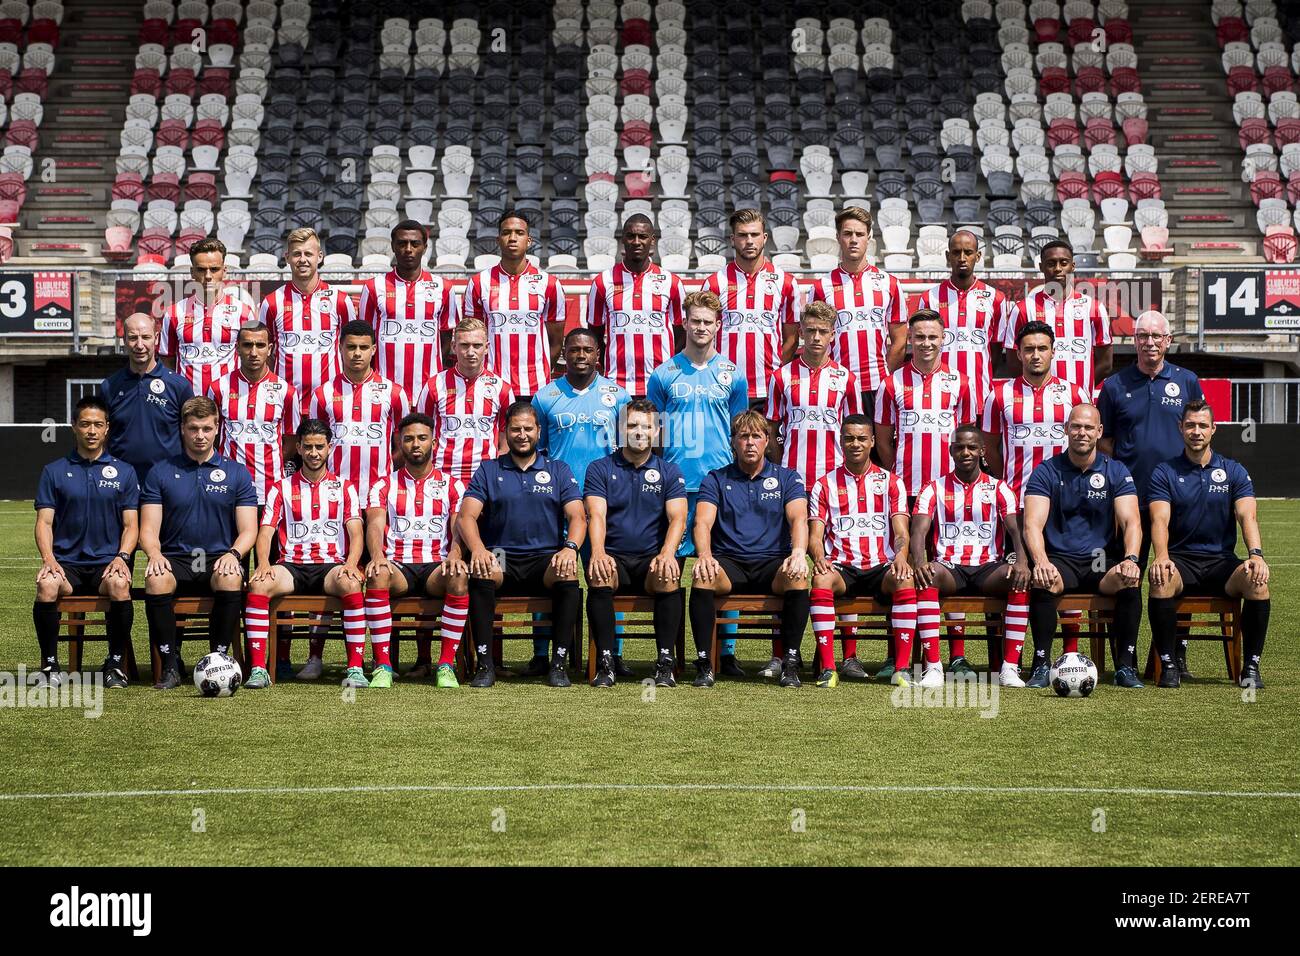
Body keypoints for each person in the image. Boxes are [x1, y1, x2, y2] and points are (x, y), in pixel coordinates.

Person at [646, 289, 749, 675]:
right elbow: (652, 432)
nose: (701, 327)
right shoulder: (664, 373)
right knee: (668, 566)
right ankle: (666, 655)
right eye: (695, 320)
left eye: (708, 321)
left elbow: (740, 430)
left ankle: (726, 653)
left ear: (718, 325)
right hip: (674, 485)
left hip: (722, 484)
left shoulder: (732, 373)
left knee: (723, 566)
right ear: (684, 323)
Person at [874, 308, 977, 677]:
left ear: (943, 337)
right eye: (919, 337)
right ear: (910, 340)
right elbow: (884, 440)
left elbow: (968, 437)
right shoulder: (892, 384)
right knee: (903, 568)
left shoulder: (960, 382)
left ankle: (958, 653)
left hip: (951, 493)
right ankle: (896, 654)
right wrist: (900, 478)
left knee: (950, 567)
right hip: (909, 492)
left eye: (933, 336)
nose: (926, 343)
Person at [410, 317, 515, 676]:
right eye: (464, 345)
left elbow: (506, 436)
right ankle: (427, 658)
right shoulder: (435, 386)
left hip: (486, 493)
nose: (471, 352)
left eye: (477, 345)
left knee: (490, 567)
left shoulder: (501, 388)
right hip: (442, 491)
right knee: (439, 566)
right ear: (453, 347)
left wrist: (498, 479)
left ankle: (491, 656)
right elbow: (422, 433)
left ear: (488, 347)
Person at [982, 320, 1093, 658]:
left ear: (1053, 351)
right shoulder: (999, 394)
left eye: (1042, 348)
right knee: (1008, 577)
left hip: (1064, 502)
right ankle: (1000, 659)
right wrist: (1008, 485)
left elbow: (1085, 445)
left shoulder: (1074, 394)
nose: (1035, 355)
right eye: (1028, 349)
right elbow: (990, 446)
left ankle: (1069, 656)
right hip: (1014, 505)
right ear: (1018, 352)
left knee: (1062, 575)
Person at [457, 402, 586, 688]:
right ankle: (485, 665)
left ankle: (559, 663)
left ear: (539, 432)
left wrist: (570, 548)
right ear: (505, 432)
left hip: (545, 556)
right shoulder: (489, 469)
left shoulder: (558, 469)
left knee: (567, 572)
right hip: (501, 555)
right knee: (481, 570)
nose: (522, 434)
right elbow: (466, 516)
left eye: (528, 428)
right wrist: (478, 548)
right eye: (516, 429)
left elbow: (577, 516)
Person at [1147, 401, 1270, 689]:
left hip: (1221, 563)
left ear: (1213, 429)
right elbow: (1159, 520)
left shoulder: (1233, 470)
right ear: (1181, 428)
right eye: (1190, 425)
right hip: (1181, 562)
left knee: (1257, 581)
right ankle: (1168, 664)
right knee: (1161, 578)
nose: (1196, 431)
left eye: (1203, 425)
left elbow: (1247, 515)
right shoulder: (1164, 472)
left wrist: (1256, 555)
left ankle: (1251, 668)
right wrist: (1162, 556)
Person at [1022, 403, 1145, 688]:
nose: (1082, 433)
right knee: (1042, 580)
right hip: (1060, 561)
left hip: (1100, 562)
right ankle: (1041, 664)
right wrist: (1040, 561)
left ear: (1099, 431)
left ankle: (1125, 668)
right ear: (1066, 429)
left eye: (1089, 427)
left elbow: (1131, 522)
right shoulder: (1046, 471)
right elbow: (1032, 524)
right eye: (1076, 426)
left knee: (1129, 579)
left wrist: (1131, 558)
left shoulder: (1116, 470)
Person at [531, 328, 631, 677]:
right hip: (559, 499)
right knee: (556, 574)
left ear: (599, 354)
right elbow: (537, 449)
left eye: (588, 350)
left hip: (605, 498)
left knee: (605, 572)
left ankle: (612, 652)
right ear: (564, 355)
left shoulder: (618, 395)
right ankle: (543, 653)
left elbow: (627, 449)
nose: (581, 355)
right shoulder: (545, 397)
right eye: (574, 350)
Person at [138, 397, 258, 690]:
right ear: (182, 429)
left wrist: (234, 553)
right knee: (155, 579)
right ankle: (169, 665)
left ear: (217, 427)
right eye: (193, 428)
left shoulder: (237, 473)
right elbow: (148, 528)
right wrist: (154, 553)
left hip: (219, 557)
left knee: (230, 577)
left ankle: (219, 658)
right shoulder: (161, 472)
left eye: (206, 428)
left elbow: (249, 530)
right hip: (176, 557)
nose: (200, 436)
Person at [242, 418, 369, 690]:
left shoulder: (345, 487)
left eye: (320, 447)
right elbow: (265, 532)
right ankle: (258, 669)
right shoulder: (281, 488)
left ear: (329, 448)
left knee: (351, 582)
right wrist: (263, 563)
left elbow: (356, 533)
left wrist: (351, 564)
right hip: (292, 566)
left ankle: (356, 669)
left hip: (330, 566)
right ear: (298, 448)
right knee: (258, 583)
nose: (314, 453)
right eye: (308, 447)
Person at [687, 410, 810, 688]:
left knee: (798, 575)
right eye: (744, 437)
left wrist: (799, 552)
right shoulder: (716, 478)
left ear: (768, 440)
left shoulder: (787, 477)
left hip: (772, 564)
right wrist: (705, 555)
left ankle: (790, 663)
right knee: (702, 575)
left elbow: (799, 519)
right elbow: (702, 523)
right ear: (733, 442)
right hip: (730, 564)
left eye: (757, 436)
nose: (750, 443)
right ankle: (705, 663)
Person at [909, 425, 1031, 687]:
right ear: (951, 450)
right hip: (950, 568)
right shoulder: (933, 488)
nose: (966, 452)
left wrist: (1022, 561)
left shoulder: (999, 488)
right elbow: (918, 531)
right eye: (960, 447)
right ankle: (933, 668)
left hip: (988, 568)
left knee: (1019, 579)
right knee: (927, 575)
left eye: (972, 447)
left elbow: (1016, 529)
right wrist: (919, 562)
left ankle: (1009, 668)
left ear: (982, 451)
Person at [33, 396, 138, 688]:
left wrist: (122, 556)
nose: (91, 431)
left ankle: (115, 664)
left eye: (98, 425)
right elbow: (44, 523)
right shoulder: (53, 471)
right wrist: (49, 560)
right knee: (46, 585)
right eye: (85, 424)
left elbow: (132, 525)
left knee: (119, 584)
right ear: (74, 427)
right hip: (67, 565)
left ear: (107, 429)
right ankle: (51, 666)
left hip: (106, 563)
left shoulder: (125, 472)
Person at [584, 399, 688, 687]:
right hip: (615, 558)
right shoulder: (599, 468)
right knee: (599, 572)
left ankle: (665, 662)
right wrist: (598, 552)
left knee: (669, 574)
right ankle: (606, 662)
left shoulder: (670, 470)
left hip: (650, 561)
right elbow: (596, 515)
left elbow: (678, 518)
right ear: (620, 429)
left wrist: (667, 554)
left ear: (656, 432)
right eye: (632, 425)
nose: (639, 432)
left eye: (646, 426)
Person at [364, 413, 471, 689]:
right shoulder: (384, 485)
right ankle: (383, 666)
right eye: (409, 439)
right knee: (377, 576)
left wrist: (456, 555)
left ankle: (445, 665)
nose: (415, 444)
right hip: (399, 565)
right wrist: (377, 557)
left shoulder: (453, 484)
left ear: (434, 442)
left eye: (422, 438)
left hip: (437, 566)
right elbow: (375, 525)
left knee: (459, 575)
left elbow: (458, 526)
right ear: (399, 443)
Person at [807, 416, 913, 688]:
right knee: (820, 579)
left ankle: (901, 668)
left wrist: (900, 558)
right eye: (849, 438)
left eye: (862, 438)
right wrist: (819, 559)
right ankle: (828, 669)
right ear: (841, 441)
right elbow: (815, 537)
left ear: (873, 441)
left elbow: (901, 532)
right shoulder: (824, 484)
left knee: (905, 578)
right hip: (842, 567)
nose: (855, 444)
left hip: (881, 565)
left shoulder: (891, 482)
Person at [810, 206, 906, 413]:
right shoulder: (821, 286)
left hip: (878, 386)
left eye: (860, 234)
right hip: (836, 386)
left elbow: (899, 340)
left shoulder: (890, 284)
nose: (853, 239)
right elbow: (814, 340)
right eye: (847, 234)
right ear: (838, 237)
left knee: (879, 446)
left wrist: (887, 379)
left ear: (869, 238)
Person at [703, 208, 801, 409]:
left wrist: (776, 374)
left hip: (768, 389)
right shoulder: (714, 284)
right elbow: (703, 338)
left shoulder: (786, 283)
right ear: (732, 239)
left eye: (755, 234)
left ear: (764, 237)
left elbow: (791, 338)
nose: (749, 241)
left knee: (768, 441)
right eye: (742, 235)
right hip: (724, 388)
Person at [304, 319, 411, 503]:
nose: (357, 354)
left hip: (380, 494)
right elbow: (315, 444)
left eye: (363, 347)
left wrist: (388, 468)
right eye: (351, 347)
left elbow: (405, 442)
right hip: (334, 493)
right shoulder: (322, 394)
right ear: (340, 348)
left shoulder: (394, 392)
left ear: (374, 350)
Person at [461, 209, 564, 398]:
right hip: (491, 385)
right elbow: (471, 337)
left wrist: (541, 371)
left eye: (519, 233)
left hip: (537, 387)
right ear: (498, 239)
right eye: (506, 233)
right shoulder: (478, 283)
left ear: (529, 241)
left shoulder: (549, 283)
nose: (513, 238)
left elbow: (555, 341)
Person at [583, 213, 686, 396]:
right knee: (622, 426)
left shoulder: (671, 282)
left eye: (643, 236)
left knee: (658, 426)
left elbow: (682, 334)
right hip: (617, 383)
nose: (636, 241)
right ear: (623, 239)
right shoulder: (602, 282)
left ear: (652, 240)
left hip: (660, 383)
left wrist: (668, 365)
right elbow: (595, 333)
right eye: (631, 236)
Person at [358, 220, 459, 404]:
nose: (408, 249)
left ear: (425, 247)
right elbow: (365, 338)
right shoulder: (373, 287)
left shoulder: (443, 288)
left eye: (415, 243)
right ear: (393, 247)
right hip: (383, 389)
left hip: (429, 389)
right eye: (402, 243)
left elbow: (446, 336)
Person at [766, 300, 864, 489]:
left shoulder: (848, 379)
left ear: (832, 335)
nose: (816, 337)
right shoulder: (781, 376)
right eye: (811, 331)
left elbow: (855, 431)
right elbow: (770, 429)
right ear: (801, 333)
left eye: (823, 331)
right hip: (791, 476)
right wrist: (782, 467)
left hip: (835, 477)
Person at [915, 229, 1012, 410]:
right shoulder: (930, 298)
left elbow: (996, 351)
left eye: (968, 252)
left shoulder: (995, 298)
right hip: (938, 396)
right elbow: (921, 348)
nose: (961, 257)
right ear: (947, 256)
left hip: (980, 395)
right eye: (956, 252)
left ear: (978, 256)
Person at [258, 226, 359, 400]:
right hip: (285, 400)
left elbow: (352, 348)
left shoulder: (340, 300)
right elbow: (265, 352)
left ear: (320, 257)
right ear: (287, 258)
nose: (302, 260)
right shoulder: (272, 302)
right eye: (297, 254)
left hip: (330, 400)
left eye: (308, 254)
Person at [207, 322, 299, 509]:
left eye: (260, 345)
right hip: (226, 485)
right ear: (237, 348)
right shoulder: (218, 387)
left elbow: (290, 441)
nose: (254, 352)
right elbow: (212, 437)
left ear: (270, 349)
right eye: (248, 345)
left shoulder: (286, 392)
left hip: (269, 488)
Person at [1001, 238, 1112, 392]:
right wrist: (1037, 390)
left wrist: (1080, 390)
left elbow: (1106, 363)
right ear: (1041, 267)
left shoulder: (1094, 308)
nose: (1058, 268)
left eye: (1064, 263)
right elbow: (1014, 362)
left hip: (1079, 406)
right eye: (1051, 263)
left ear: (1073, 266)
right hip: (1037, 400)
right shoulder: (1023, 309)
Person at [100, 312, 194, 484]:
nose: (140, 345)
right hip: (121, 482)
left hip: (168, 482)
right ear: (124, 340)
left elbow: (191, 435)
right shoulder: (109, 386)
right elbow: (102, 437)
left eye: (146, 337)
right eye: (133, 338)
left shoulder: (179, 386)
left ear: (156, 338)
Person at [158, 236, 257, 398]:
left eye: (214, 269)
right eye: (201, 269)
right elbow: (167, 359)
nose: (208, 275)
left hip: (229, 401)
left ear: (224, 271)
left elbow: (253, 358)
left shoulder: (243, 312)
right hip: (188, 403)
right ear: (192, 272)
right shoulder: (174, 313)